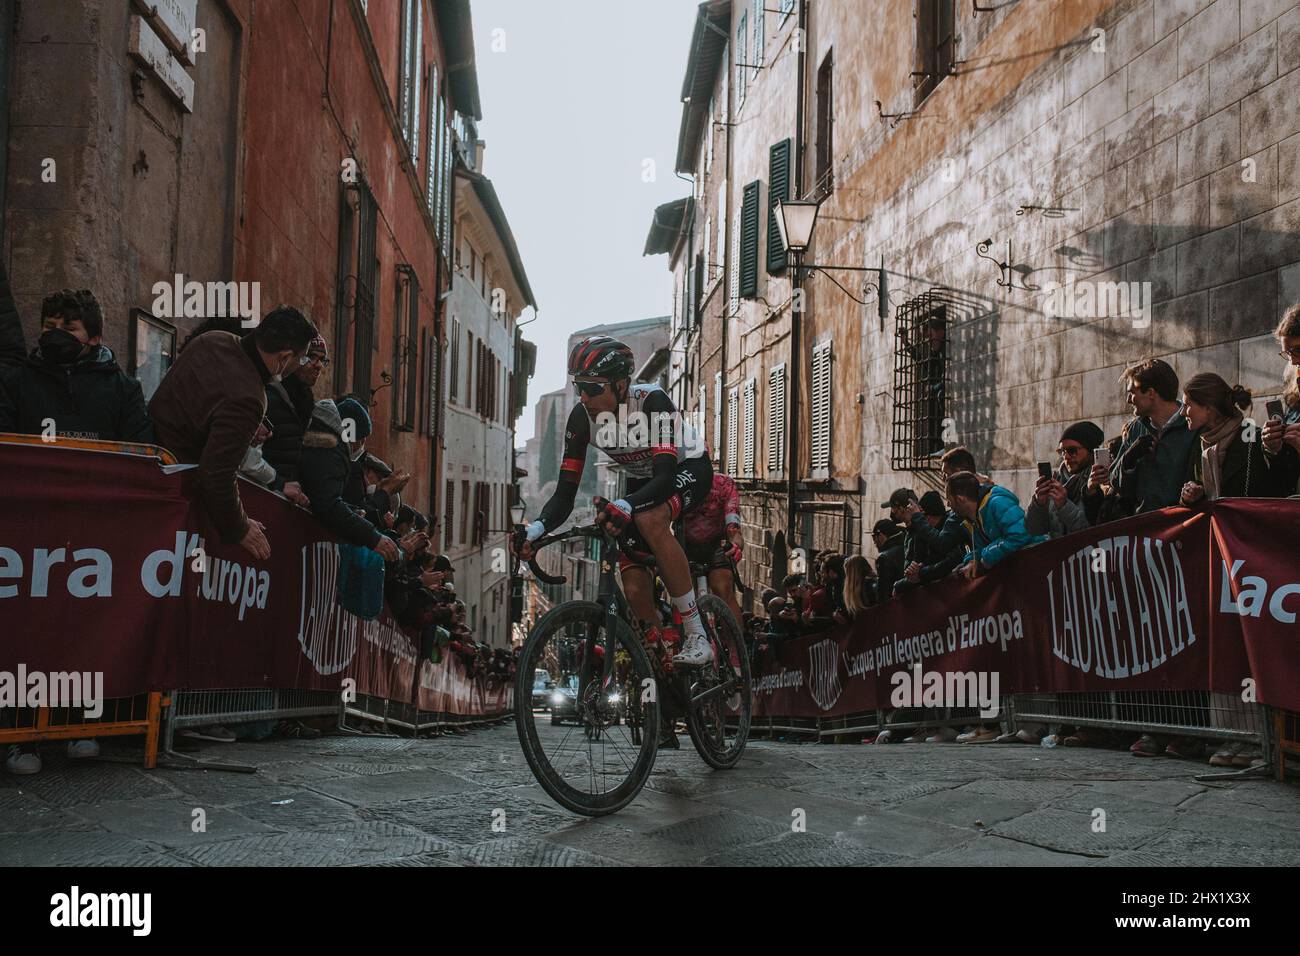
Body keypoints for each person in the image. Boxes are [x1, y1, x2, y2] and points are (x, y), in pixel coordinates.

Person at [512, 336, 716, 666]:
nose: (584, 397)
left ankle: (697, 634)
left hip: (685, 467)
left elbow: (664, 478)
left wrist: (628, 505)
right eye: (579, 387)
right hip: (644, 479)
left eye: (593, 388)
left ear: (621, 385)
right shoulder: (581, 419)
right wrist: (536, 529)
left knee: (649, 519)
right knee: (633, 582)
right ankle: (657, 655)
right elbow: (564, 495)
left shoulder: (653, 402)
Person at [149, 305, 318, 560]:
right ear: (284, 358)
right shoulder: (250, 397)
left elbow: (195, 409)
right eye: (302, 358)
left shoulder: (213, 339)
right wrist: (240, 528)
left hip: (150, 462)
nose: (302, 365)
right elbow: (217, 473)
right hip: (176, 492)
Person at [0, 289, 153, 442]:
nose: (56, 335)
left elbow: (139, 453)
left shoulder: (125, 391)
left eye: (69, 329)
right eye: (50, 327)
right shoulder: (15, 383)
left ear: (94, 339)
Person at [297, 397, 399, 561]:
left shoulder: (328, 448)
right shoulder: (331, 453)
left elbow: (325, 494)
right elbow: (328, 504)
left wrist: (352, 510)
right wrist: (373, 537)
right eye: (362, 438)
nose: (362, 444)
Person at [1111, 359, 1199, 512]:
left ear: (1151, 393)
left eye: (1132, 393)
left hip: (1183, 525)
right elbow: (1115, 482)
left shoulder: (1192, 426)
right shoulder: (1135, 428)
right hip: (1145, 528)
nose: (1128, 400)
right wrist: (1128, 460)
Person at [1179, 375, 1283, 504]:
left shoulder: (1251, 435)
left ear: (1208, 407)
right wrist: (1189, 496)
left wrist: (1272, 450)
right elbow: (1192, 489)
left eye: (1187, 405)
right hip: (1214, 523)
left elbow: (1277, 487)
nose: (1182, 412)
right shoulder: (1200, 441)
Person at [679, 472, 745, 627]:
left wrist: (735, 545)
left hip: (717, 542)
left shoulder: (724, 484)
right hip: (685, 543)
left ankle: (736, 647)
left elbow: (733, 528)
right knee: (683, 594)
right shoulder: (673, 483)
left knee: (722, 588)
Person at [261, 333, 327, 481]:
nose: (319, 365)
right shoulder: (271, 396)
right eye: (311, 357)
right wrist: (279, 484)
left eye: (322, 360)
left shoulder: (306, 404)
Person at [1026, 421, 1104, 539]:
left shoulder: (1099, 482)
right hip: (1060, 555)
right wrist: (1038, 504)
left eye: (1072, 450)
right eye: (1062, 451)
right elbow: (1034, 529)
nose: (1066, 457)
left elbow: (1093, 533)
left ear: (1090, 451)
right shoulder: (1056, 480)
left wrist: (1063, 506)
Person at [1262, 305, 1300, 496]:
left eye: (1297, 351)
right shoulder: (1294, 392)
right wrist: (1273, 448)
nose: (1293, 362)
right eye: (1288, 354)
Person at [896, 490, 965, 592]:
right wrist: (911, 572)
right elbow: (917, 560)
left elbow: (948, 562)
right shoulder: (921, 533)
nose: (948, 504)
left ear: (927, 516)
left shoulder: (951, 528)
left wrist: (920, 573)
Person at [871, 520, 906, 602]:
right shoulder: (907, 544)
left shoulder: (883, 558)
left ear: (881, 535)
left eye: (874, 536)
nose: (874, 542)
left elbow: (883, 592)